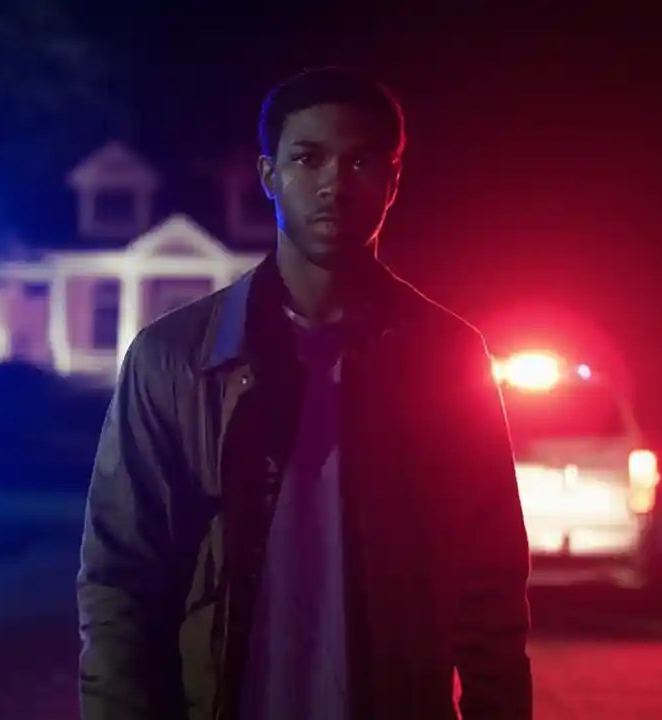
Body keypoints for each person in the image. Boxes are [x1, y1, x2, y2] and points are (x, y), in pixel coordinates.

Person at [77, 66, 532, 720]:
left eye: (361, 163)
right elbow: (120, 575)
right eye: (308, 158)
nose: (334, 185)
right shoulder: (176, 358)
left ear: (394, 181)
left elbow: (489, 580)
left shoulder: (446, 358)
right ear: (269, 175)